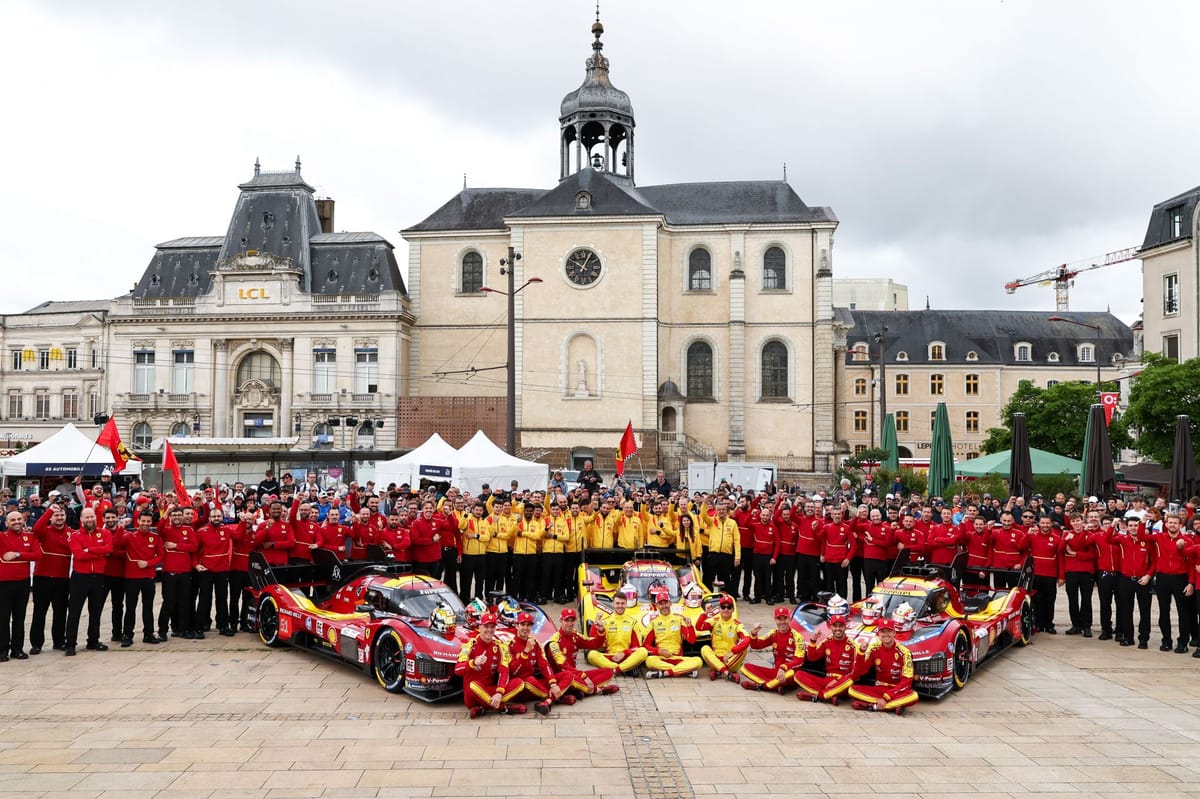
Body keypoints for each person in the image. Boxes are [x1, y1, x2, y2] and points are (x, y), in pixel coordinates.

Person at [848, 605, 919, 715]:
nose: (886, 635)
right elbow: (861, 671)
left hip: (896, 691)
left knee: (913, 696)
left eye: (889, 631)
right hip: (879, 689)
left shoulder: (904, 652)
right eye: (883, 632)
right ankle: (892, 706)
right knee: (852, 690)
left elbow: (907, 681)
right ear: (878, 634)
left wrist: (887, 697)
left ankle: (873, 705)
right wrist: (861, 652)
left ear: (894, 633)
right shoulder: (874, 648)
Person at [456, 611, 526, 717]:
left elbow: (504, 671)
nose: (489, 630)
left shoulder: (499, 647)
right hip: (472, 694)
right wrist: (473, 663)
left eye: (492, 627)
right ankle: (503, 708)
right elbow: (457, 670)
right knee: (473, 685)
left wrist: (499, 692)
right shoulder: (469, 646)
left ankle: (484, 707)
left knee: (519, 683)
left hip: (491, 690)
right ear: (480, 627)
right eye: (486, 626)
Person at [501, 611, 572, 716]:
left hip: (536, 687)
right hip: (519, 688)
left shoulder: (536, 643)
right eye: (523, 624)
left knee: (568, 675)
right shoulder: (508, 645)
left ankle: (548, 701)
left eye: (528, 625)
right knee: (528, 680)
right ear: (516, 626)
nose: (525, 628)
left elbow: (544, 664)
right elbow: (513, 672)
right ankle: (557, 697)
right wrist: (525, 652)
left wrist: (553, 684)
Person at [64, 507, 113, 656]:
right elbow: (78, 555)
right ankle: (70, 643)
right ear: (81, 519)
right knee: (74, 611)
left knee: (96, 610)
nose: (89, 520)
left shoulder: (105, 533)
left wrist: (89, 550)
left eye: (91, 517)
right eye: (86, 517)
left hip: (98, 576)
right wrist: (98, 550)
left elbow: (109, 548)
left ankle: (93, 640)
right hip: (80, 577)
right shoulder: (75, 535)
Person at [795, 596, 858, 704]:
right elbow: (812, 657)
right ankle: (827, 695)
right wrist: (813, 640)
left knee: (850, 681)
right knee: (798, 675)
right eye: (835, 626)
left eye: (840, 626)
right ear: (831, 627)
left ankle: (817, 696)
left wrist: (837, 681)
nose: (838, 629)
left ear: (845, 627)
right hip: (826, 680)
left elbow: (855, 672)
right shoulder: (826, 642)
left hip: (842, 683)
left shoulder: (853, 645)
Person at [29, 502, 73, 654]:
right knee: (39, 612)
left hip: (62, 579)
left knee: (60, 612)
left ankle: (59, 641)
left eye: (62, 515)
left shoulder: (71, 533)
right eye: (56, 515)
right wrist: (49, 512)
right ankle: (36, 644)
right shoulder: (45, 531)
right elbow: (35, 529)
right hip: (43, 578)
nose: (59, 518)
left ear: (66, 516)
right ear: (51, 517)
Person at [546, 608, 620, 697]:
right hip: (562, 679)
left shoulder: (575, 636)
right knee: (570, 676)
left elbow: (594, 644)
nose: (570, 624)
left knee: (609, 671)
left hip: (576, 676)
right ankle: (597, 690)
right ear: (561, 620)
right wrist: (583, 676)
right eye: (567, 620)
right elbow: (563, 666)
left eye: (572, 620)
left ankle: (580, 690)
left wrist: (600, 630)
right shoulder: (554, 642)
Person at [1147, 513, 1193, 653]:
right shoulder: (1159, 538)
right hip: (1163, 578)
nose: (1172, 525)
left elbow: (1192, 564)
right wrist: (1144, 522)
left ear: (1180, 525)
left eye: (1175, 523)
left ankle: (1183, 642)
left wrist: (1190, 582)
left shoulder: (1187, 541)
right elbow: (1142, 537)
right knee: (1164, 611)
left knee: (1183, 612)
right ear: (1165, 524)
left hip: (1181, 578)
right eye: (1170, 522)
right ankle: (1166, 640)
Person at [0, 509, 42, 661]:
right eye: (13, 520)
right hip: (3, 584)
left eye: (19, 519)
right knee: (2, 618)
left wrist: (17, 554)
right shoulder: (1, 537)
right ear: (6, 523)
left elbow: (38, 555)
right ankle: (2, 650)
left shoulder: (30, 536)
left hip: (22, 583)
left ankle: (17, 649)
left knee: (19, 617)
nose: (17, 522)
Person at [121, 511, 165, 647]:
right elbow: (116, 543)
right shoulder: (129, 536)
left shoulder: (155, 537)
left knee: (148, 607)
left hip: (148, 576)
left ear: (151, 522)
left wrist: (149, 563)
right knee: (130, 607)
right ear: (138, 521)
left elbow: (161, 556)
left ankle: (148, 634)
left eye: (148, 521)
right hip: (132, 577)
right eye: (143, 521)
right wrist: (121, 527)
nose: (145, 524)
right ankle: (127, 635)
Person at [740, 606, 805, 692]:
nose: (782, 622)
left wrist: (784, 668)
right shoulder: (773, 634)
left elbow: (799, 660)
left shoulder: (798, 637)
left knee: (791, 674)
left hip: (790, 674)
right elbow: (756, 646)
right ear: (775, 620)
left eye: (785, 618)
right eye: (779, 619)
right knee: (745, 667)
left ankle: (760, 686)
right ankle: (775, 685)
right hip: (776, 673)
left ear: (789, 619)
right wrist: (754, 633)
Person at [157, 505, 198, 640]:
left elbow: (194, 546)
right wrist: (167, 512)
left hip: (185, 571)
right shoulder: (167, 530)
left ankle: (184, 629)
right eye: (173, 515)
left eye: (178, 515)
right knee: (168, 602)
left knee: (184, 602)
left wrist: (176, 546)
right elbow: (159, 529)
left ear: (182, 516)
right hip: (169, 572)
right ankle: (163, 631)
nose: (176, 517)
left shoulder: (189, 529)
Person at [642, 587, 702, 678]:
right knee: (649, 661)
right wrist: (659, 651)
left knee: (698, 661)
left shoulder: (679, 619)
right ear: (657, 606)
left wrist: (690, 627)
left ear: (670, 603)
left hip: (677, 658)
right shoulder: (653, 623)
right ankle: (683, 671)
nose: (664, 606)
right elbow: (646, 646)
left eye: (665, 603)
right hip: (661, 658)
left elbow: (692, 641)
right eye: (660, 604)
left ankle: (664, 673)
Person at [586, 589, 649, 674]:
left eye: (622, 603)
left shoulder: (633, 622)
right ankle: (625, 669)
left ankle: (615, 670)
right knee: (591, 655)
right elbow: (595, 644)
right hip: (610, 656)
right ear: (613, 604)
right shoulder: (605, 622)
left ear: (626, 604)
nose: (620, 606)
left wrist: (624, 653)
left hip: (627, 657)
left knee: (643, 651)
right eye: (617, 603)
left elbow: (637, 647)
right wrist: (596, 627)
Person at [695, 594, 750, 681]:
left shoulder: (737, 624)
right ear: (719, 609)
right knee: (704, 649)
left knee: (744, 650)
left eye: (729, 607)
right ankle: (726, 673)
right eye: (723, 607)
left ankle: (718, 671)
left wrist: (732, 652)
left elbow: (747, 639)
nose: (726, 610)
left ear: (733, 609)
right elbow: (699, 627)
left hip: (730, 660)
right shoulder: (714, 621)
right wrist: (705, 613)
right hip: (716, 658)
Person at [1028, 516, 1063, 634]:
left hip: (1050, 575)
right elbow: (1021, 546)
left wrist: (1061, 576)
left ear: (1051, 524)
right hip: (1035, 574)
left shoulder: (1057, 539)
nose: (1045, 525)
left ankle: (1049, 624)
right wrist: (1028, 534)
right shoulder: (1033, 536)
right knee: (1036, 600)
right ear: (1039, 524)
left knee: (1049, 600)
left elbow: (1060, 559)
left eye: (1047, 523)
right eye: (1043, 523)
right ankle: (1037, 624)